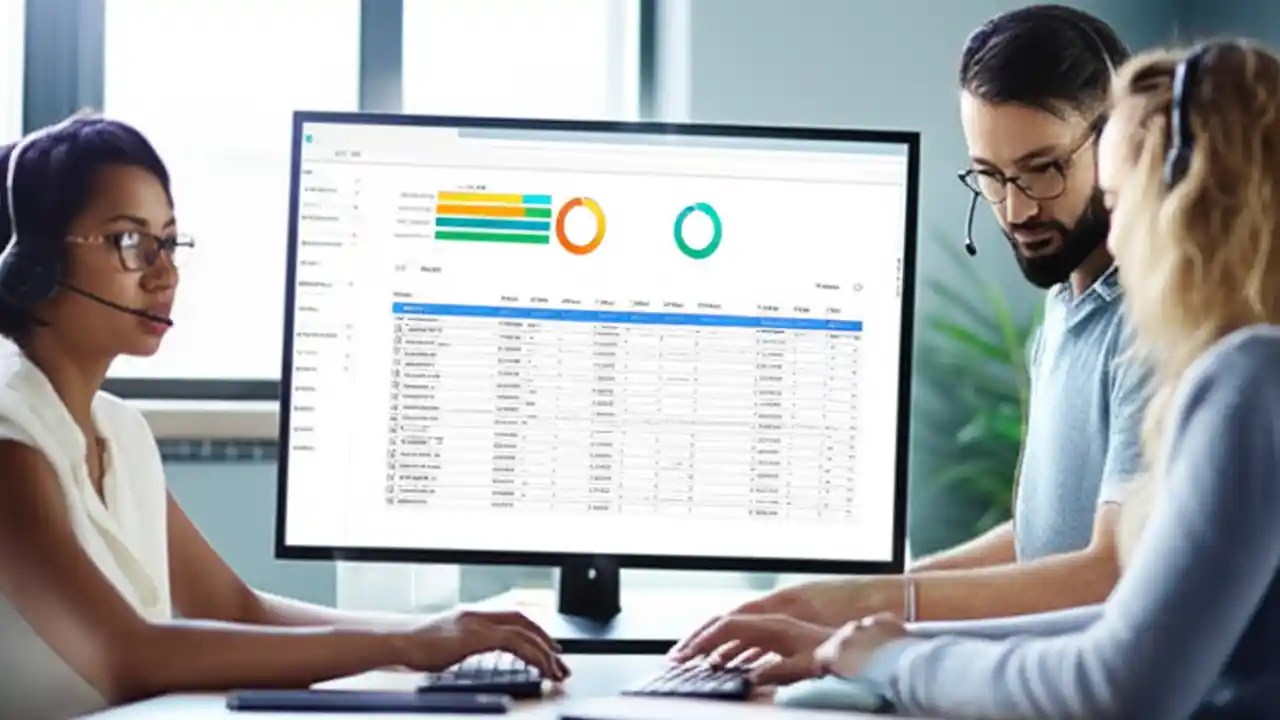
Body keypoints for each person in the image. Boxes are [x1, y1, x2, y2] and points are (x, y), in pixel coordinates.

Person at [674, 38, 1280, 719]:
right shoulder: (1103, 329)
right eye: (991, 177)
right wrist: (875, 636)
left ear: (1191, 208)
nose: (1017, 211)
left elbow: (1117, 654)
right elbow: (1071, 566)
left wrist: (892, 648)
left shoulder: (1243, 377)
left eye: (1117, 200)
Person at [0, 115, 567, 720]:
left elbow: (235, 609)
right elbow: (125, 656)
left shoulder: (120, 432)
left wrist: (434, 635)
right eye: (130, 242)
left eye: (168, 243)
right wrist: (407, 643)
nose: (165, 273)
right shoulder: (11, 444)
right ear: (32, 265)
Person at [672, 5, 1152, 652]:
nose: (1015, 209)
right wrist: (844, 607)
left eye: (1043, 169)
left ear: (1118, 140)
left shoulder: (1152, 322)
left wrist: (872, 602)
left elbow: (1110, 572)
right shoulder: (1067, 309)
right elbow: (1045, 541)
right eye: (989, 175)